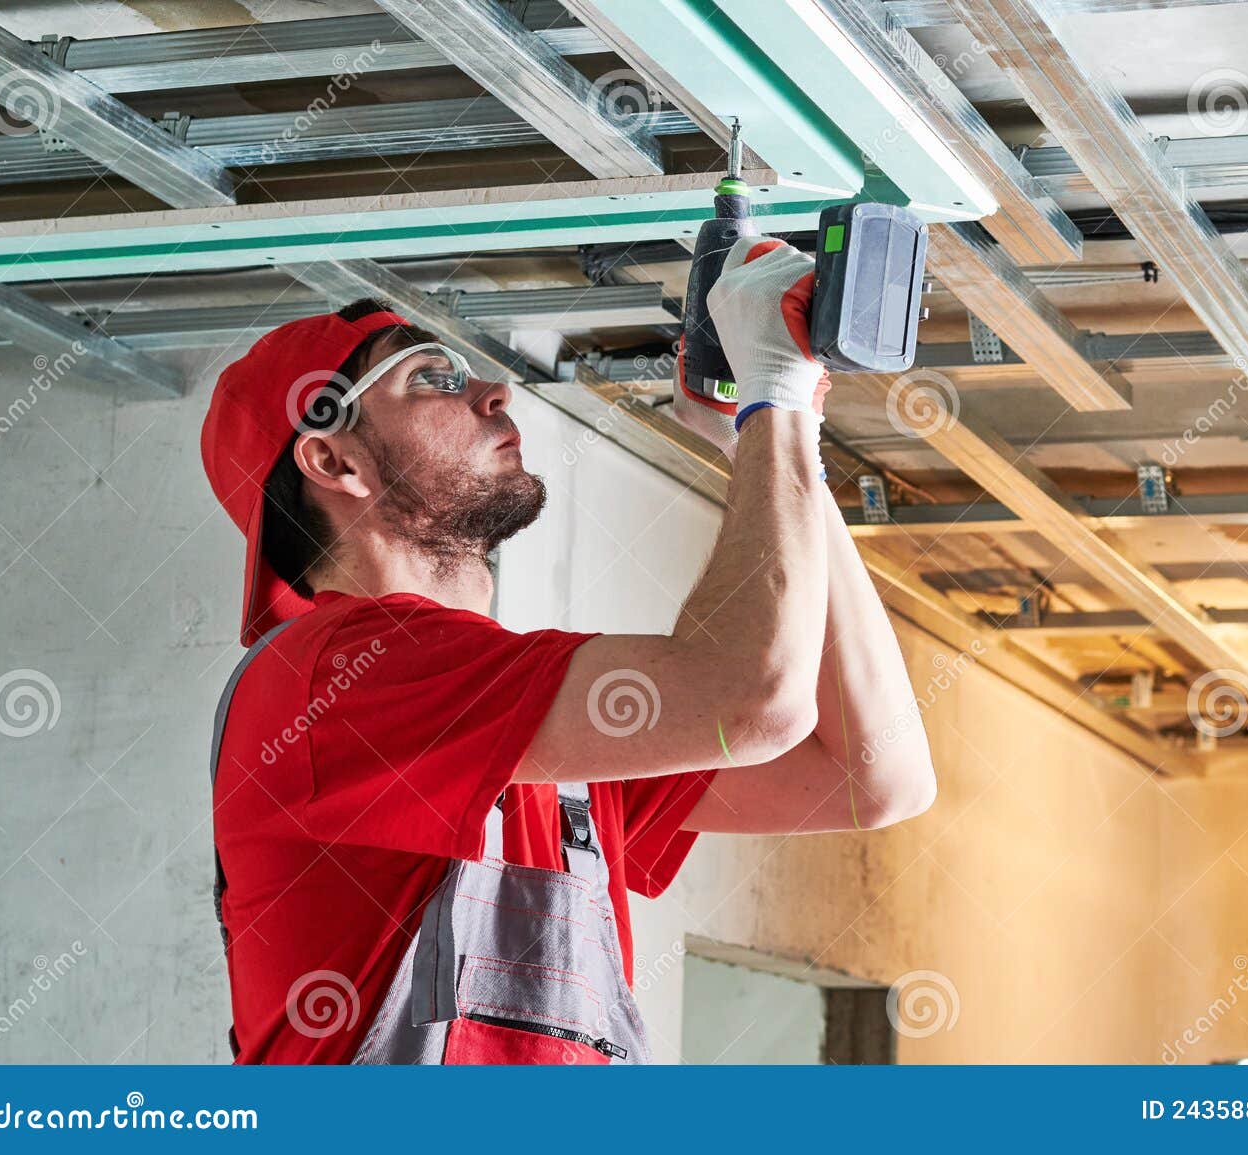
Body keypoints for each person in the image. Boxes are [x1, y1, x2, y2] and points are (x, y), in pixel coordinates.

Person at [199, 236, 936, 1064]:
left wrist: (765, 434)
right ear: (335, 459)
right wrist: (775, 405)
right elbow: (755, 697)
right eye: (431, 378)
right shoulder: (332, 678)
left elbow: (877, 774)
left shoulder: (527, 715)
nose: (494, 391)